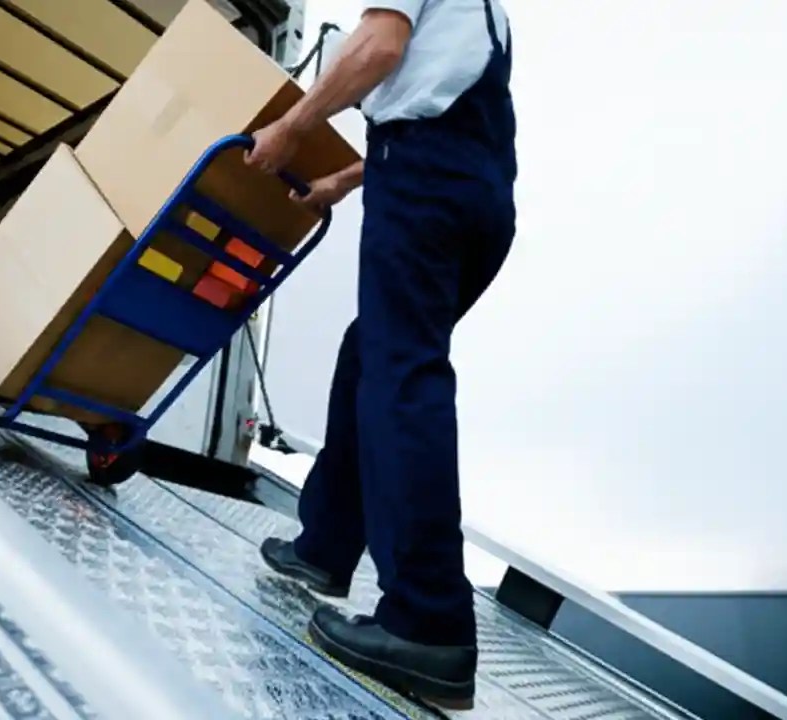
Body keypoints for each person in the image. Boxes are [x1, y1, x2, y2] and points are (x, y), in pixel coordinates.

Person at [245, 0, 517, 710]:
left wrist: (290, 127)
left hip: (426, 181)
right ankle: (326, 548)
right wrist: (345, 179)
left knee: (401, 377)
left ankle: (428, 623)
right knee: (373, 354)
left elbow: (379, 49)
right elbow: (444, 102)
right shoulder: (485, 14)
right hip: (477, 191)